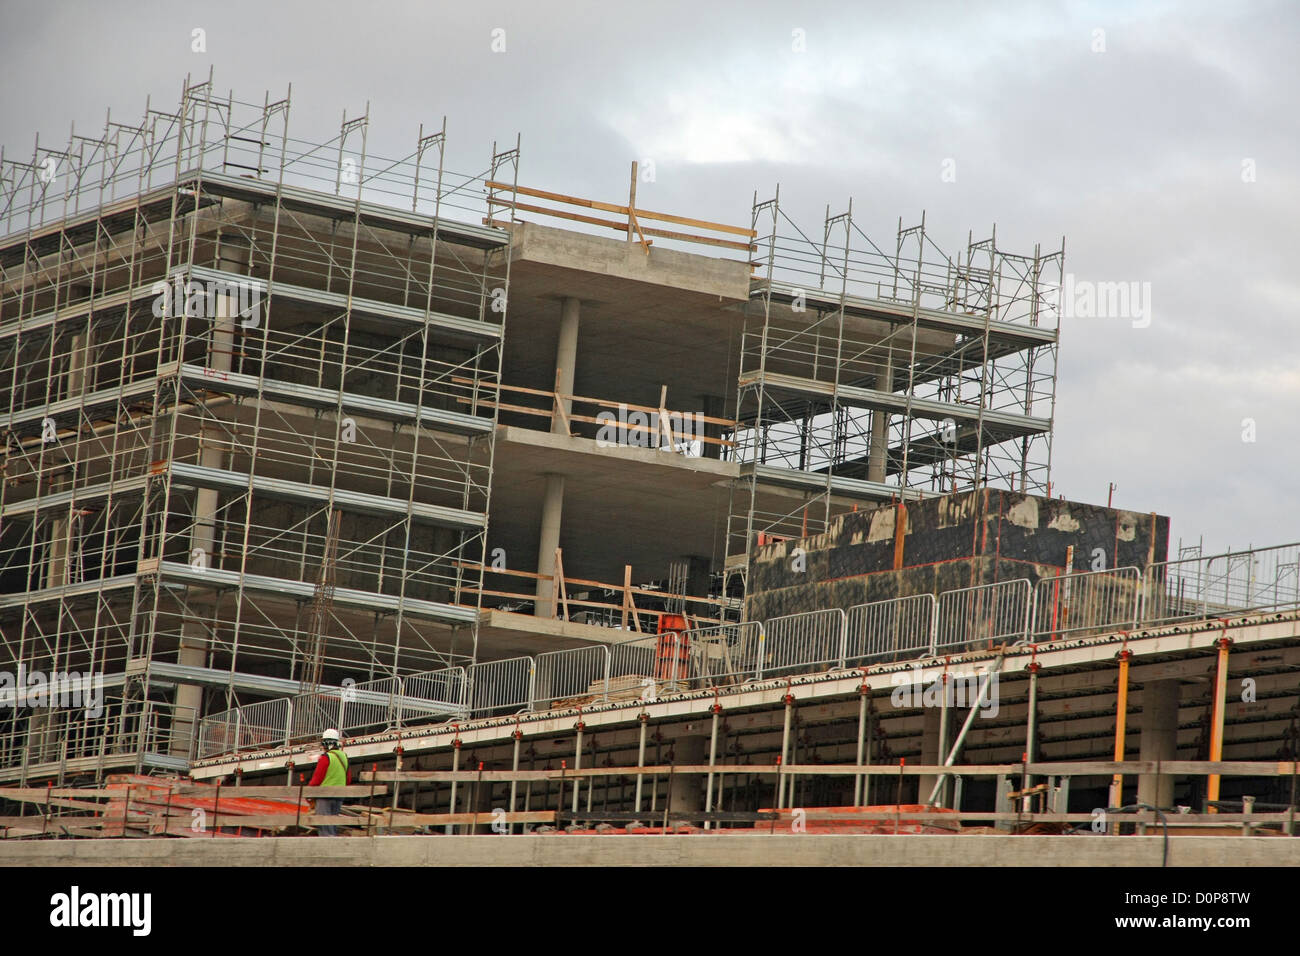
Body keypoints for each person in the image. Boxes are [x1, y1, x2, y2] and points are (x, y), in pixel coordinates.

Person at [307, 728, 350, 836]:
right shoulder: (344, 756)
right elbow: (348, 778)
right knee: (333, 825)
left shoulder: (326, 757)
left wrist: (308, 792)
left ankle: (326, 849)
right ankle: (334, 848)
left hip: (325, 796)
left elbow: (317, 779)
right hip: (339, 796)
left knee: (324, 826)